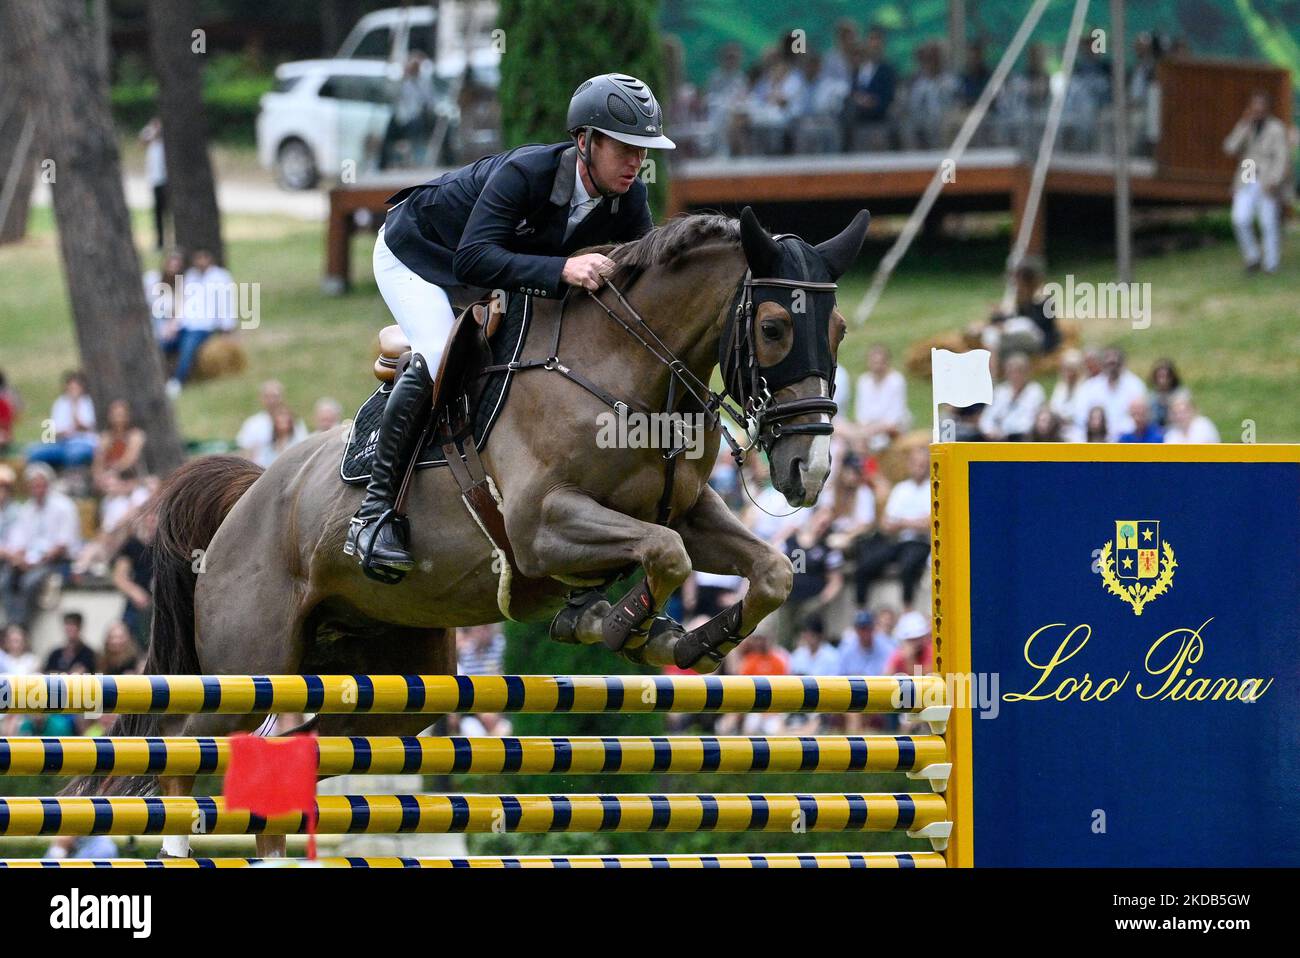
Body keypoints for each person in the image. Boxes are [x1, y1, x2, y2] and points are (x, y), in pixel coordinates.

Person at [349, 73, 675, 581]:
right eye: (625, 147)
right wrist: (561, 269)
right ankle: (373, 516)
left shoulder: (626, 196)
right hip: (415, 251)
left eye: (643, 149)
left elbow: (642, 280)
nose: (637, 161)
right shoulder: (526, 173)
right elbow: (474, 258)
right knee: (438, 354)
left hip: (482, 265)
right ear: (585, 141)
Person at [0, 462, 81, 629]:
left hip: (56, 561)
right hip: (30, 561)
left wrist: (37, 562)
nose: (38, 490)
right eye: (34, 486)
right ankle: (12, 625)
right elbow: (19, 542)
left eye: (41, 485)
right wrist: (20, 559)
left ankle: (20, 627)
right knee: (6, 579)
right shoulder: (27, 509)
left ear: (48, 485)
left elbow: (62, 545)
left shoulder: (64, 506)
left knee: (30, 582)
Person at [855, 445, 931, 610]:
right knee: (865, 565)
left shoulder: (933, 488)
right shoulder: (901, 489)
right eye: (916, 463)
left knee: (909, 565)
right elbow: (885, 523)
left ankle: (907, 609)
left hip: (921, 543)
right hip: (899, 541)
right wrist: (913, 523)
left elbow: (930, 523)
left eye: (923, 464)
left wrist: (902, 523)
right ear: (909, 465)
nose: (919, 468)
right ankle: (861, 609)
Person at [1222, 91, 1289, 274]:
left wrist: (1275, 181)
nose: (1258, 110)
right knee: (1240, 218)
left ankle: (1271, 263)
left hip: (1267, 176)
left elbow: (1282, 157)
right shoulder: (1246, 126)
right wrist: (1243, 125)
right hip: (1248, 172)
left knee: (1268, 222)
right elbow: (1229, 148)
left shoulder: (1276, 128)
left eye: (1261, 107)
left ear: (1267, 109)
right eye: (1255, 107)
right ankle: (1252, 257)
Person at [165, 249, 236, 396]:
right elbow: (182, 302)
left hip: (202, 326)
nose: (201, 261)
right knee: (163, 345)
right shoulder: (190, 276)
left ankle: (177, 382)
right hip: (184, 323)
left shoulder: (220, 277)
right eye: (198, 258)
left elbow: (226, 304)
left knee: (188, 348)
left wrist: (226, 329)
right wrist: (173, 324)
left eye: (204, 257)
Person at [26, 371, 97, 469]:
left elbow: (86, 427)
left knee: (74, 454)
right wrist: (62, 433)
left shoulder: (87, 402)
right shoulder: (60, 403)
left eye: (76, 387)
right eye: (70, 387)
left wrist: (74, 406)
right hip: (61, 442)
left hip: (82, 442)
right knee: (34, 452)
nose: (73, 390)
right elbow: (52, 431)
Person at [1074, 348, 1147, 441]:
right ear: (1102, 364)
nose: (1112, 367)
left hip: (1127, 438)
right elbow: (1081, 415)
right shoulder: (1090, 386)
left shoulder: (1135, 385)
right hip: (1096, 437)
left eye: (1114, 363)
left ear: (1122, 364)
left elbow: (1139, 416)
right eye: (1108, 363)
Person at [847, 26, 897, 150]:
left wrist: (873, 102)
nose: (874, 44)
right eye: (871, 39)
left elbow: (888, 97)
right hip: (859, 123)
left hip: (879, 123)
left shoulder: (887, 70)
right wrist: (858, 99)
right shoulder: (859, 69)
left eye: (877, 40)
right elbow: (853, 92)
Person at [112, 507, 156, 645]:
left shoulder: (169, 547)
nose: (152, 522)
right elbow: (119, 577)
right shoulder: (133, 545)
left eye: (155, 517)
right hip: (138, 602)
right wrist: (135, 592)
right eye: (149, 518)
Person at [853, 345, 909, 452]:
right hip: (868, 431)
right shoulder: (863, 381)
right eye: (874, 362)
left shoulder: (896, 381)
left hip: (891, 432)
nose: (877, 367)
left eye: (880, 362)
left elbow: (895, 418)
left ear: (887, 362)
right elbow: (861, 415)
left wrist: (872, 430)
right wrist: (865, 431)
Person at [979, 353, 1045, 441]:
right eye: (1012, 372)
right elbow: (986, 418)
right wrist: (991, 431)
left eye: (1019, 371)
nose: (1015, 375)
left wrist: (1007, 432)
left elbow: (1030, 422)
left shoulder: (1035, 391)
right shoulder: (1001, 391)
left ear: (1027, 373)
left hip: (1022, 438)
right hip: (997, 438)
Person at [237, 381, 306, 462]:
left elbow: (304, 449)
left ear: (282, 397)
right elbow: (245, 452)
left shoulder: (295, 423)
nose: (271, 401)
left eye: (275, 396)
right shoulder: (252, 424)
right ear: (261, 398)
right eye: (267, 397)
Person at [91, 399, 146, 493]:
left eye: (121, 415)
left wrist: (112, 472)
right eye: (115, 414)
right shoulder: (105, 437)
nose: (118, 418)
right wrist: (99, 477)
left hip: (131, 482)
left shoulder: (135, 435)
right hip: (109, 483)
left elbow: (129, 459)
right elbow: (98, 462)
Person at [837, 609, 896, 676]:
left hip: (879, 686)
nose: (865, 632)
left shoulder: (887, 647)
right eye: (862, 628)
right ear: (856, 630)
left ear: (874, 628)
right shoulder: (846, 649)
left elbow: (891, 675)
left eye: (869, 628)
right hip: (854, 686)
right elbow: (839, 676)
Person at [139, 117, 168, 250]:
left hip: (167, 180)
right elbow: (142, 143)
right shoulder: (149, 132)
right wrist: (153, 133)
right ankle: (160, 242)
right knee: (158, 213)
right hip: (155, 179)